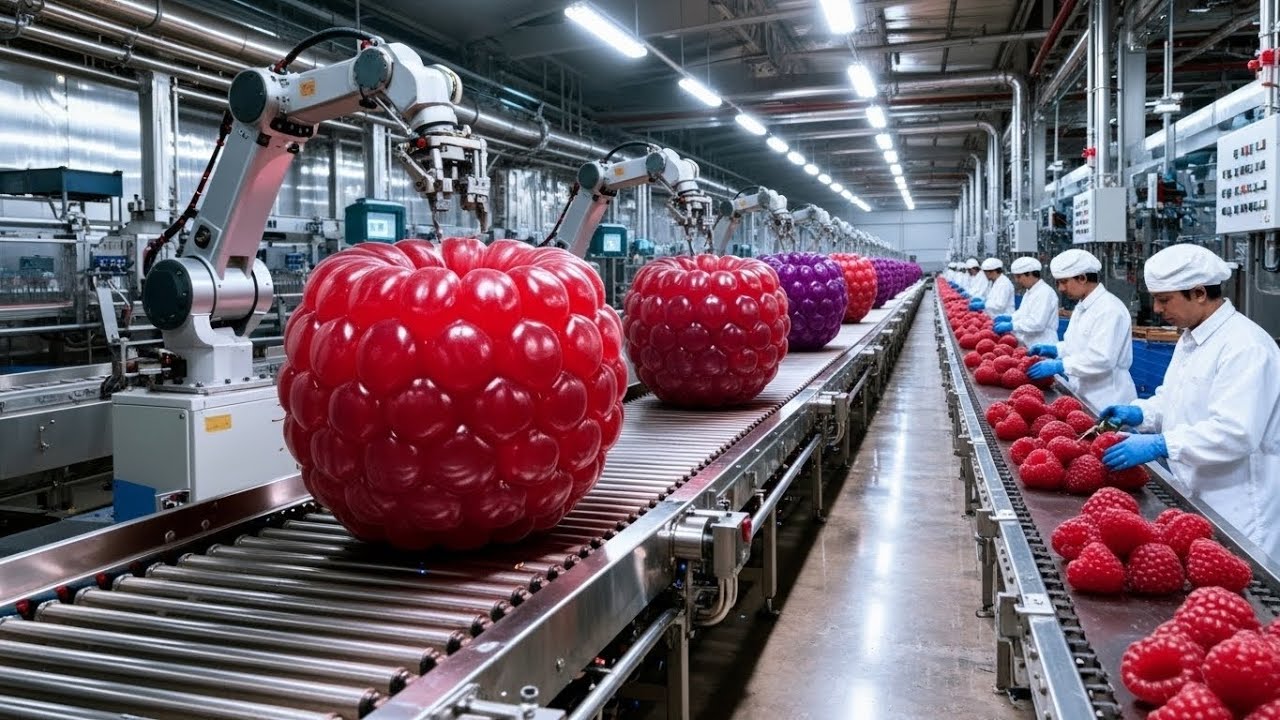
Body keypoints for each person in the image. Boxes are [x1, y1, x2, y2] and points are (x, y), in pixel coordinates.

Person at [1100, 245, 1280, 561]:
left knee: (1239, 583)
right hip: (1198, 491)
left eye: (1164, 299)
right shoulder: (1192, 337)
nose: (1157, 309)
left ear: (1199, 293)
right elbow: (1174, 399)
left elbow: (1236, 432)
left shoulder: (1246, 347)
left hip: (1239, 506)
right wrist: (1140, 412)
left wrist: (1162, 444)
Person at [1026, 249, 1136, 409]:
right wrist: (1056, 350)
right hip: (1085, 392)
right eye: (1058, 283)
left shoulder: (1109, 309)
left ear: (1083, 278)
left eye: (1064, 282)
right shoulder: (1083, 306)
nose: (1061, 288)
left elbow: (1102, 358)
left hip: (1106, 399)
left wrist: (1061, 365)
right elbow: (1078, 345)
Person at [994, 256, 1059, 348]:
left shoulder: (1044, 293)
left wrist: (1012, 325)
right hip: (1030, 342)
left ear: (1030, 274)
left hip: (1043, 344)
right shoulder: (1030, 292)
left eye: (1019, 277)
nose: (1017, 281)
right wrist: (1011, 318)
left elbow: (1037, 323)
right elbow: (1023, 313)